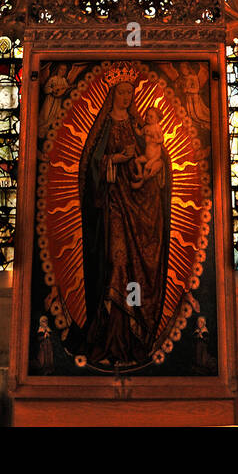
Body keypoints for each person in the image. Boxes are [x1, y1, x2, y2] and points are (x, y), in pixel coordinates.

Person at [78, 79, 171, 367]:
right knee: (116, 263)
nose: (127, 96)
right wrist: (115, 159)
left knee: (132, 265)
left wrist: (151, 169)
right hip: (112, 204)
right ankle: (110, 339)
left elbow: (158, 156)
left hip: (137, 202)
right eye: (122, 91)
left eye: (130, 92)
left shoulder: (137, 124)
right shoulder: (104, 124)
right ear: (113, 95)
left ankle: (131, 340)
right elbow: (90, 164)